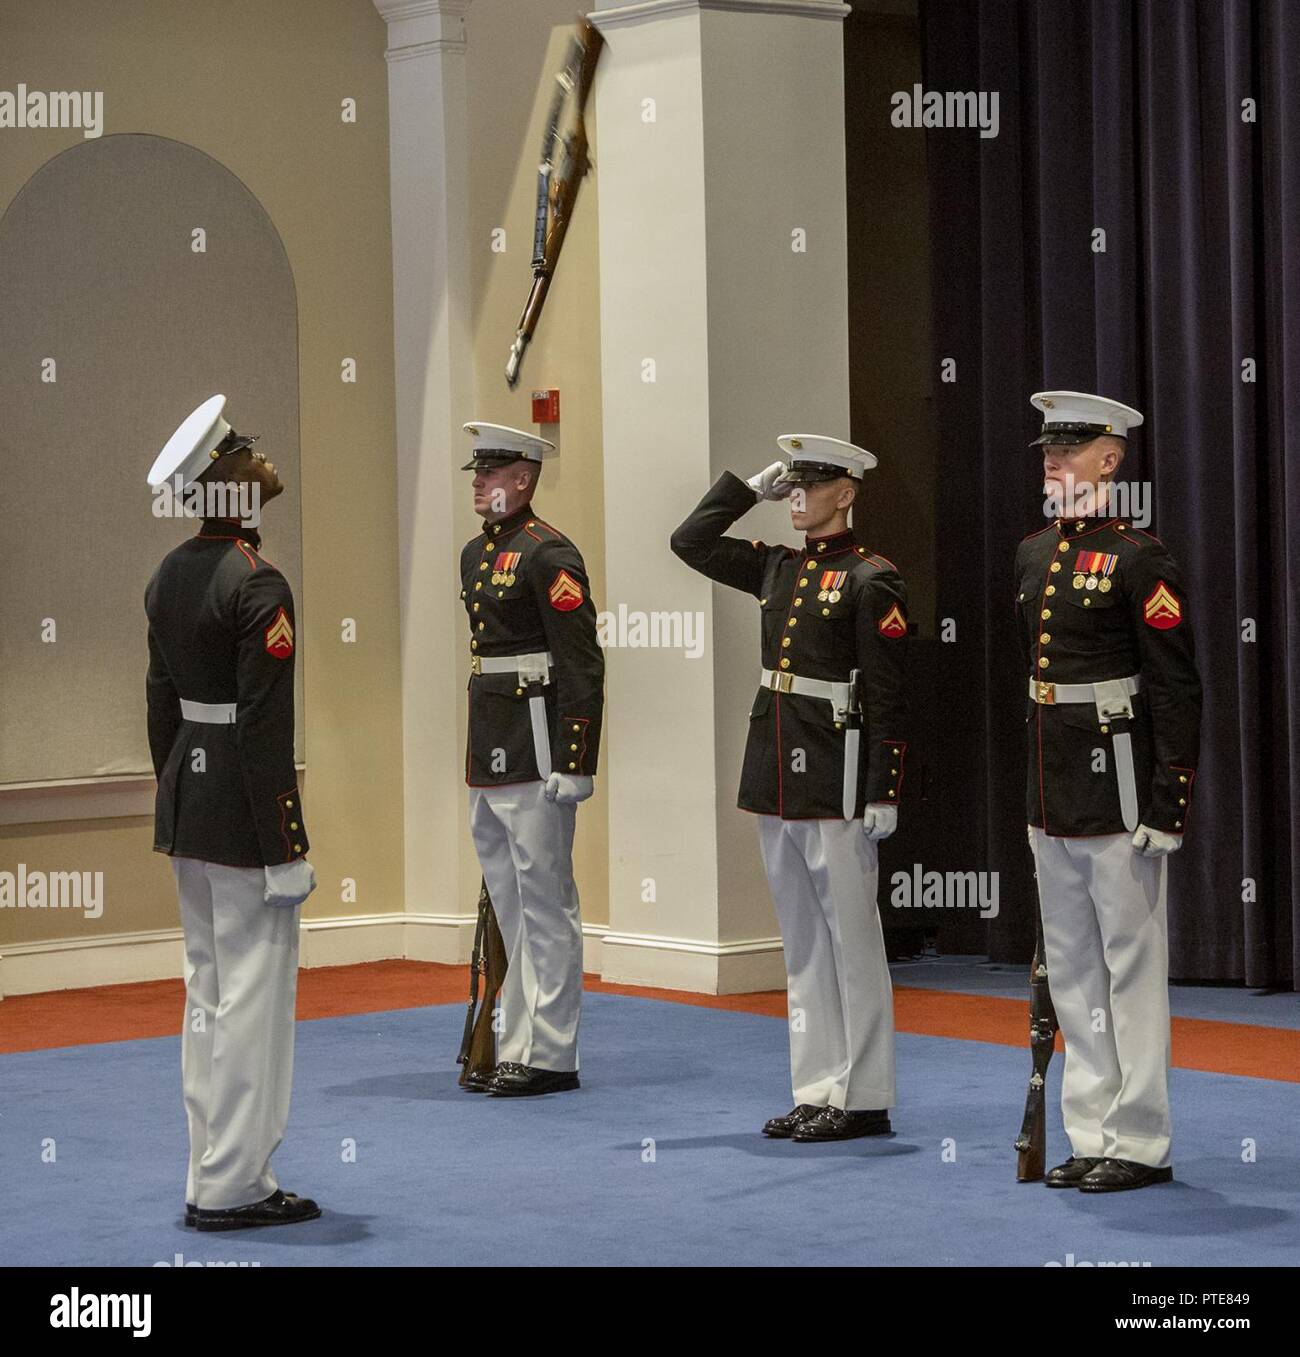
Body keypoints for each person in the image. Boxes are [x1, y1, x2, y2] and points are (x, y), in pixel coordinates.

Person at [671, 436, 908, 1141]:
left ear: (848, 491)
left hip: (836, 771)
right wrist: (749, 487)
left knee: (852, 941)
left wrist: (882, 789)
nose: (798, 494)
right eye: (793, 483)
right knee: (803, 944)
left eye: (813, 482)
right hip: (776, 767)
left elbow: (891, 694)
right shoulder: (777, 568)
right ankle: (816, 1085)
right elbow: (689, 540)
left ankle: (863, 1094)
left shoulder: (872, 579)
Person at [1016, 390, 1201, 1192]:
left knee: (1130, 965)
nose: (1054, 459)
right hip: (1051, 784)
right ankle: (1089, 1129)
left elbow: (1176, 687)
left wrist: (1170, 798)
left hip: (1119, 783)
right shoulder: (1031, 553)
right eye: (1049, 448)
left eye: (1071, 446)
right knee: (1072, 968)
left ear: (1110, 459)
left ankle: (1141, 1139)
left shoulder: (1139, 558)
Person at [145, 395, 319, 1230]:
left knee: (208, 991)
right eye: (244, 451)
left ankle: (205, 1167)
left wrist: (179, 789)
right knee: (251, 995)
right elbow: (263, 726)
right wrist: (285, 840)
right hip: (243, 812)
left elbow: (160, 709)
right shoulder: (258, 582)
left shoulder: (170, 573)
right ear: (226, 482)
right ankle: (236, 1182)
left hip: (190, 796)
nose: (261, 458)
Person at [459, 421, 604, 1096]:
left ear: (523, 479)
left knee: (546, 899)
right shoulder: (474, 554)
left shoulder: (551, 554)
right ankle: (515, 1037)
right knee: (510, 900)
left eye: (491, 473)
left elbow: (581, 661)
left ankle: (551, 1051)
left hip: (537, 741)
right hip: (490, 740)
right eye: (478, 474)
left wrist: (577, 758)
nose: (481, 483)